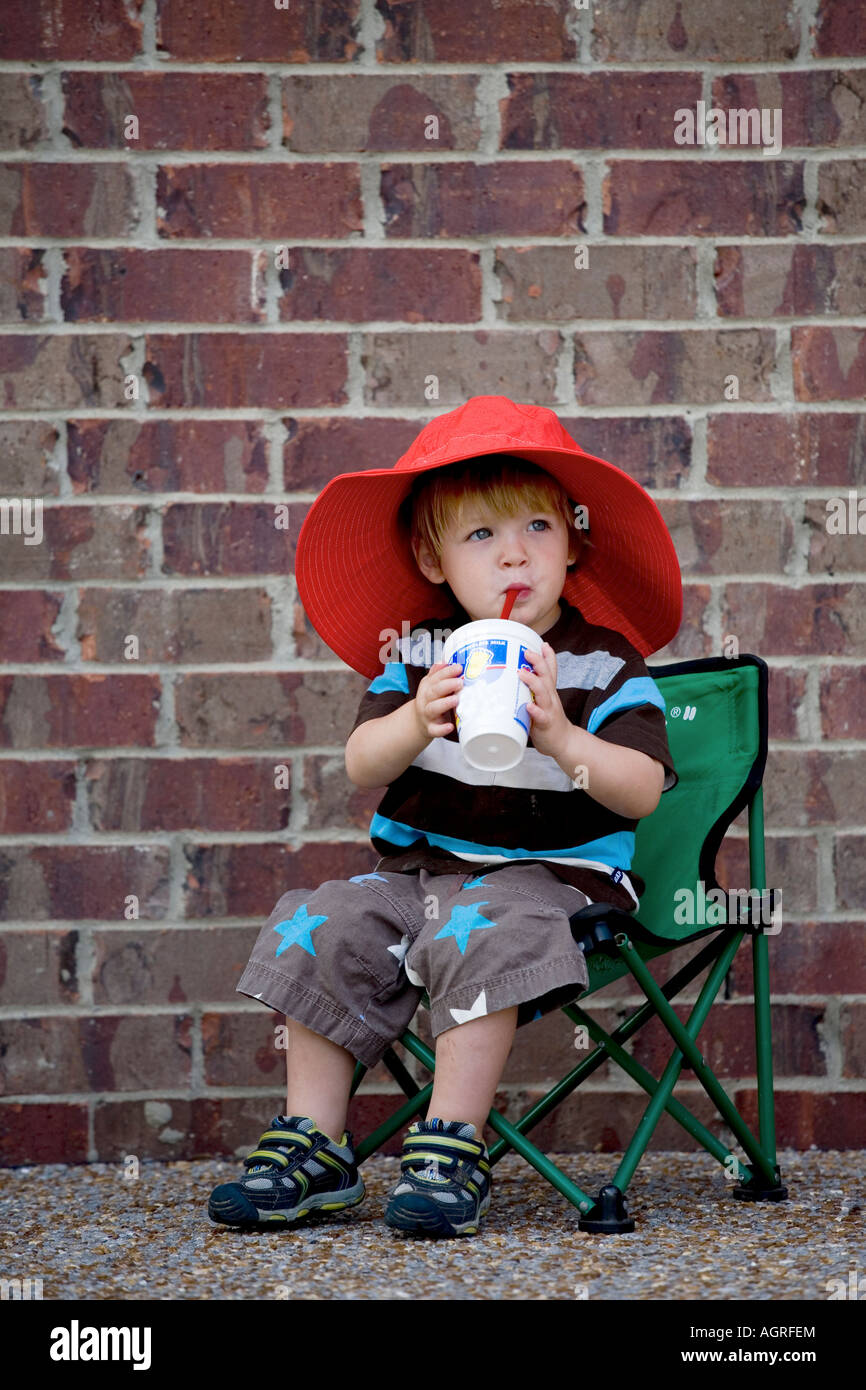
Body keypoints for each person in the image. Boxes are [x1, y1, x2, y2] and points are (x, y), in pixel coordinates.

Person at [208, 394, 682, 1238]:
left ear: (572, 542)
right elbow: (361, 765)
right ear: (433, 562)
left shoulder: (604, 661)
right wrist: (414, 719)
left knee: (484, 919)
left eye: (538, 528)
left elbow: (641, 788)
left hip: (553, 884)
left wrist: (563, 735)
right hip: (416, 877)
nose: (515, 555)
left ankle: (450, 1143)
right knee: (320, 919)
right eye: (481, 537)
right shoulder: (419, 655)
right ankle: (314, 1143)